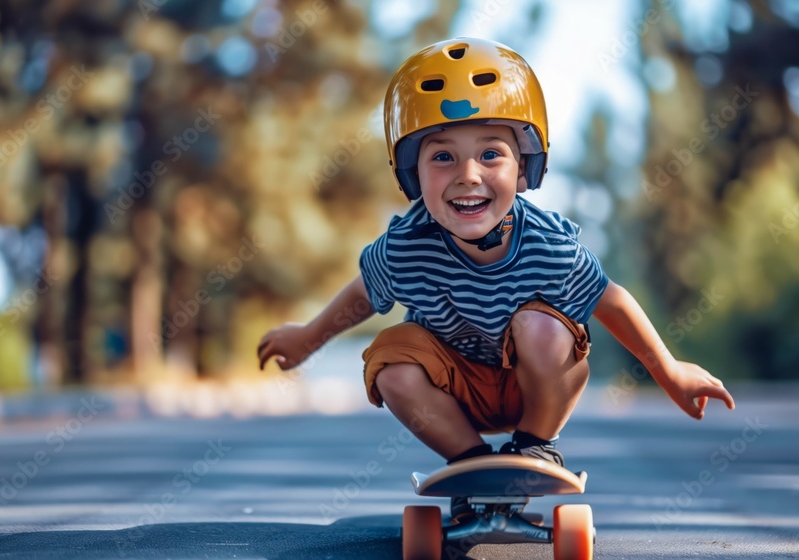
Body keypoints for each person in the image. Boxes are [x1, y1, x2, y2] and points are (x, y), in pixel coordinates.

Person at [258, 37, 735, 520]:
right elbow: (364, 294)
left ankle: (534, 447)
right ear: (412, 175)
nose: (468, 175)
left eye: (491, 155)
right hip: (453, 394)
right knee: (390, 357)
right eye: (442, 157)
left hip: (531, 389)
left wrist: (668, 371)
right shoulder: (406, 244)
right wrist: (307, 339)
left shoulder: (549, 245)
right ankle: (472, 464)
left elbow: (609, 300)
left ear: (525, 168)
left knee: (542, 326)